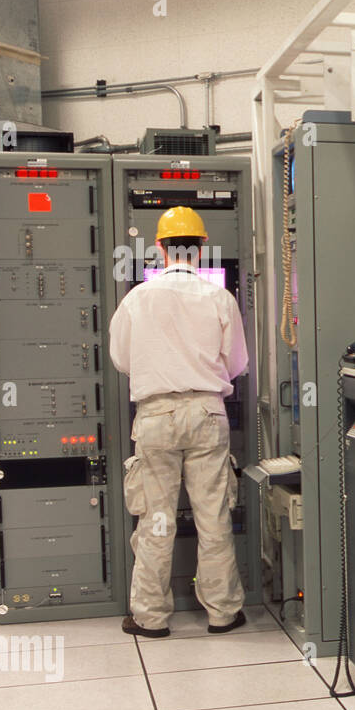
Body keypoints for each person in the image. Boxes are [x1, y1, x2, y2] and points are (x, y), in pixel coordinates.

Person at [109, 206, 249, 638]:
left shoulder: (137, 299)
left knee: (156, 520)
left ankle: (150, 618)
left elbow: (121, 358)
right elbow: (238, 363)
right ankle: (223, 613)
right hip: (208, 413)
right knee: (213, 518)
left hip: (156, 416)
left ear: (159, 248)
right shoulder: (219, 298)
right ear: (203, 247)